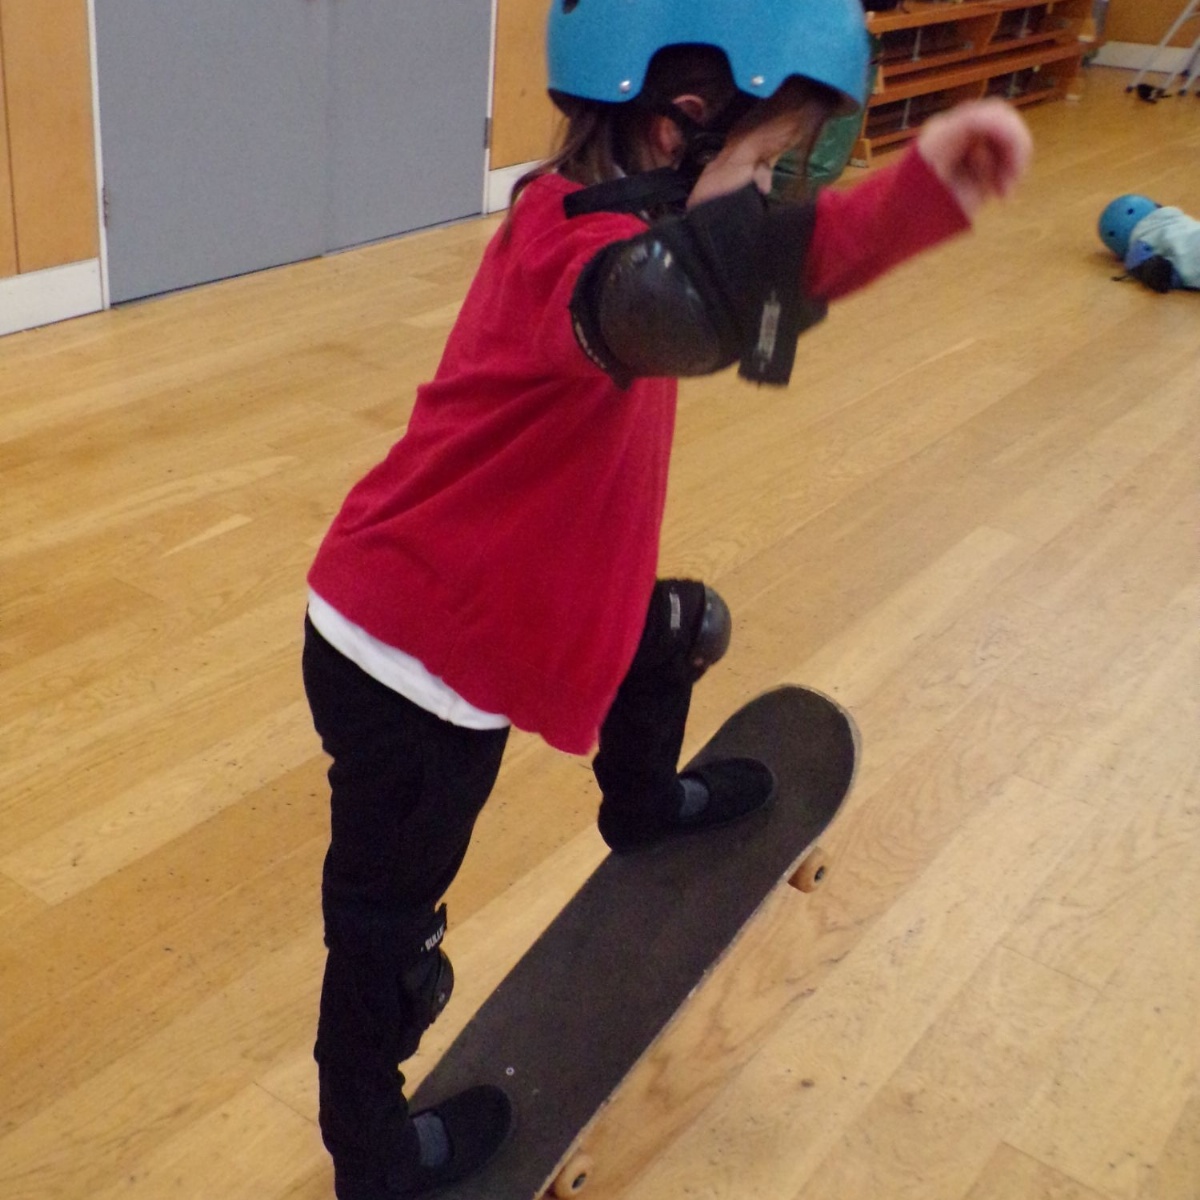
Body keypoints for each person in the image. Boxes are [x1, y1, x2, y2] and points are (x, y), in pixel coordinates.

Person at [300, 2, 1034, 1197]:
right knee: (387, 924)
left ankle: (638, 804)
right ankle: (368, 1151)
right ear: (676, 125)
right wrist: (738, 189)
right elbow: (677, 305)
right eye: (768, 158)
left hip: (517, 599)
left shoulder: (633, 223)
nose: (778, 190)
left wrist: (924, 195)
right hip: (410, 654)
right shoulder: (570, 252)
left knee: (674, 628)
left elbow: (752, 278)